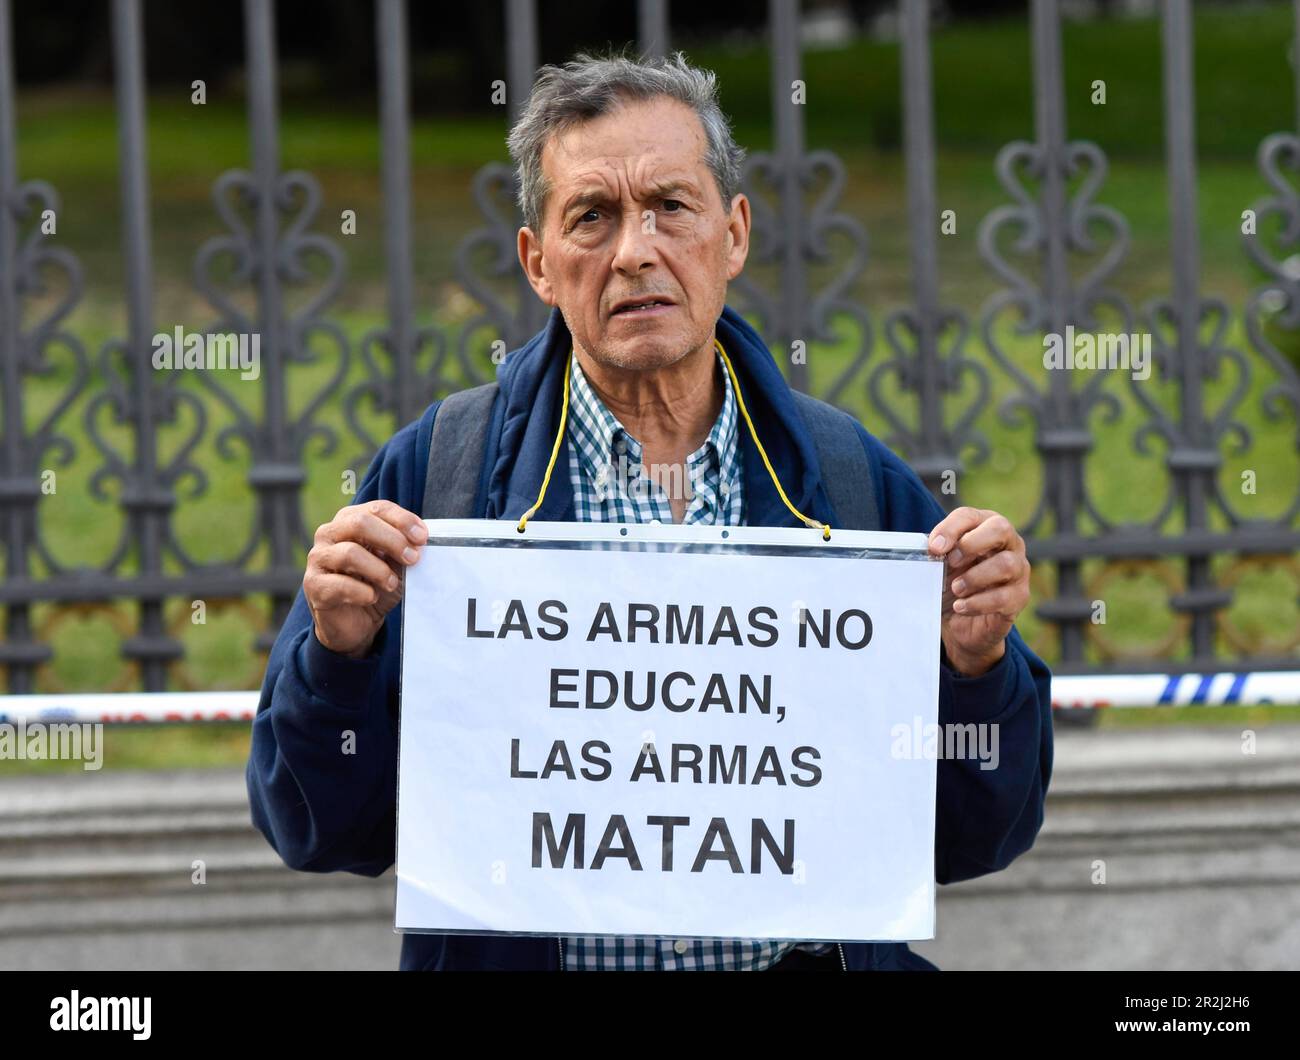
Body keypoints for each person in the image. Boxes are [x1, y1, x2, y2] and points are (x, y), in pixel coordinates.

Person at [246, 52, 1053, 972]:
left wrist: (974, 664)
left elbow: (981, 835)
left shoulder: (848, 483)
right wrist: (338, 658)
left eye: (671, 206)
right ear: (538, 263)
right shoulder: (439, 479)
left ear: (734, 235)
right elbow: (315, 829)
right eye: (591, 217)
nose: (635, 250)